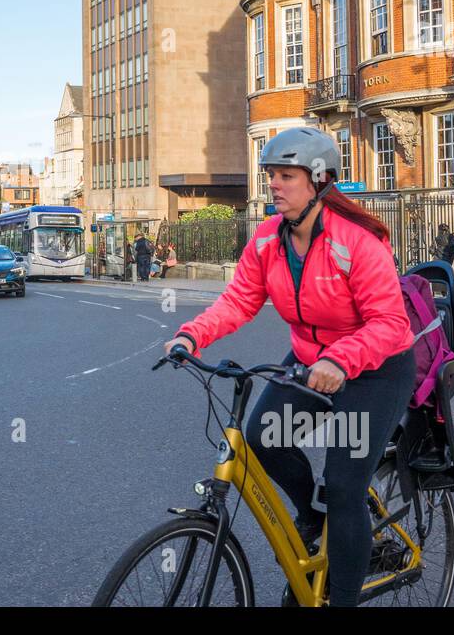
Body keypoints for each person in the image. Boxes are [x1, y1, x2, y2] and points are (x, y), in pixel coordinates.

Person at [163, 126, 415, 608]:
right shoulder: (266, 241)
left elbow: (388, 321)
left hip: (376, 368)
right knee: (260, 439)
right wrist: (192, 334)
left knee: (344, 486)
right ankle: (312, 514)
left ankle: (340, 594)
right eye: (271, 176)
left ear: (319, 181)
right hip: (308, 362)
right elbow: (238, 302)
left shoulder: (356, 242)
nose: (273, 185)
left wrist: (342, 358)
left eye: (285, 175)